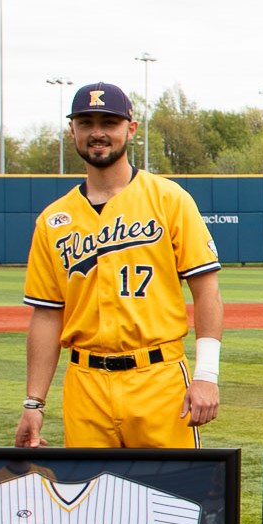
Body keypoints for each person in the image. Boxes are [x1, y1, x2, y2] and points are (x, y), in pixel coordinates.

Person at [15, 83, 224, 449]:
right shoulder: (54, 219)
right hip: (84, 384)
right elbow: (47, 315)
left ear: (130, 128)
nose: (97, 132)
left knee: (174, 499)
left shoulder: (169, 199)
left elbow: (207, 290)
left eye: (109, 122)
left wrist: (206, 375)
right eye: (86, 122)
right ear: (72, 131)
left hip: (158, 379)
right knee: (90, 501)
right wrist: (34, 403)